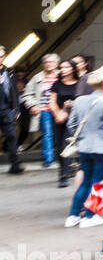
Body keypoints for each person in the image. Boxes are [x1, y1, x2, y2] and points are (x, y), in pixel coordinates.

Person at [64, 71, 103, 228]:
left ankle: (73, 215)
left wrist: (83, 136)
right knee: (99, 182)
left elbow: (71, 125)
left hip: (84, 147)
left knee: (86, 181)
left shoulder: (79, 101)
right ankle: (90, 216)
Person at [22, 53, 60, 168]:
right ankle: (48, 158)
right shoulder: (37, 77)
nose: (48, 64)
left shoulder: (62, 75)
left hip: (59, 110)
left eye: (51, 62)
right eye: (46, 62)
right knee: (47, 134)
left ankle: (63, 157)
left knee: (61, 133)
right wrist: (32, 105)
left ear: (56, 64)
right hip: (44, 109)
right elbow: (27, 94)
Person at [49, 59, 82, 189]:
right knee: (59, 147)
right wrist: (58, 114)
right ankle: (63, 171)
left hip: (74, 120)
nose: (63, 69)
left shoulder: (79, 83)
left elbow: (81, 101)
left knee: (66, 145)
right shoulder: (57, 84)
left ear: (73, 69)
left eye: (66, 67)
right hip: (59, 119)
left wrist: (69, 109)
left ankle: (65, 174)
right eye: (61, 67)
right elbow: (51, 102)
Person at [0, 46, 23, 174]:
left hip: (6, 110)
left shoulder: (8, 72)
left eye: (1, 56)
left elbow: (14, 91)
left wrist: (17, 109)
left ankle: (15, 165)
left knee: (11, 137)